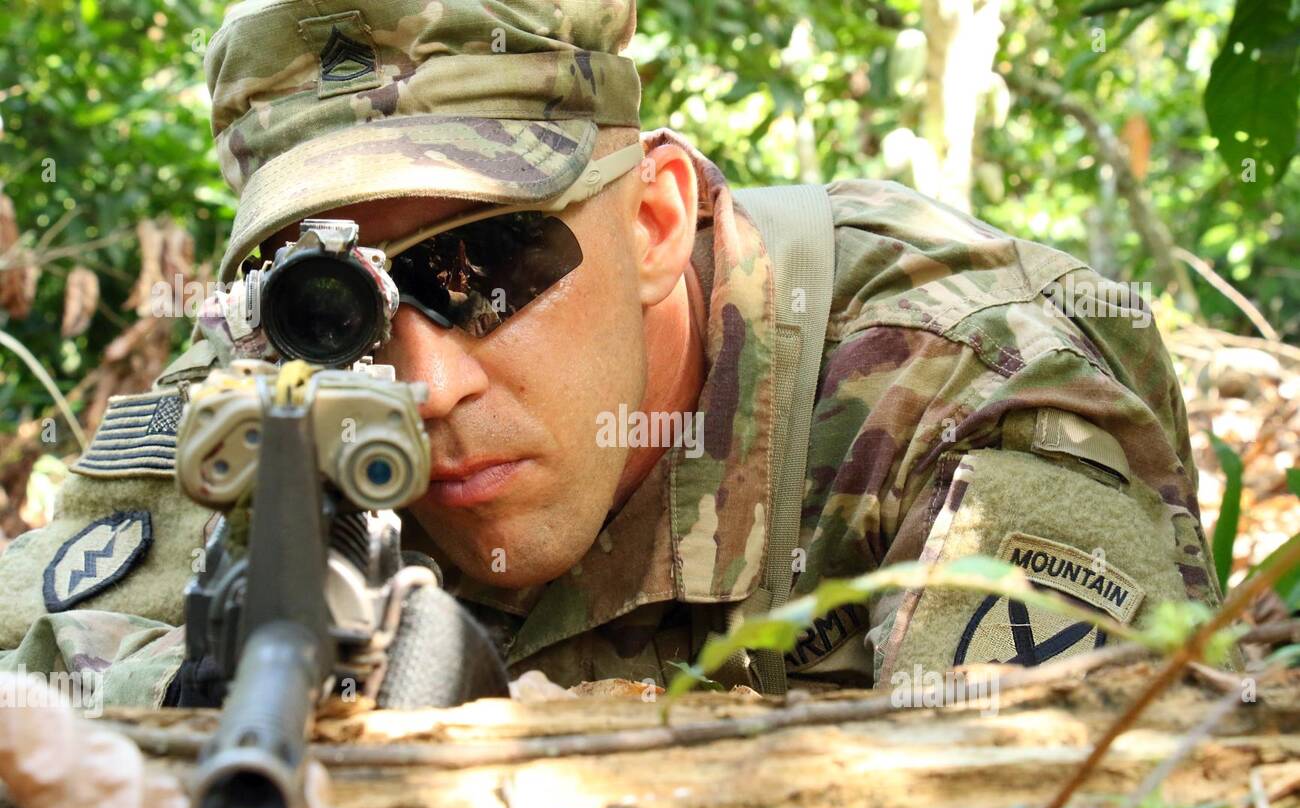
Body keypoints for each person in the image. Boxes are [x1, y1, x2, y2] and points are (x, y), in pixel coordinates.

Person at [0, 0, 1218, 705]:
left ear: (649, 219)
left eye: (482, 272)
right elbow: (38, 706)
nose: (422, 385)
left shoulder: (962, 377)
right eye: (345, 305)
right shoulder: (269, 374)